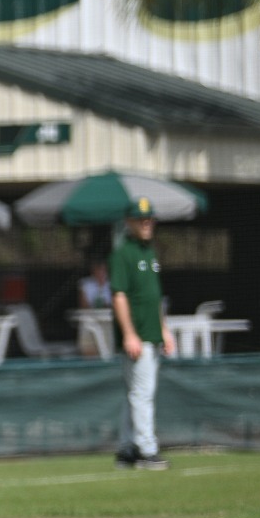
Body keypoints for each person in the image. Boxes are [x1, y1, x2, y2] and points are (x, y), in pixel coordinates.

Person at [110, 198, 174, 470]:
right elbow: (119, 295)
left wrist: (164, 329)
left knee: (135, 393)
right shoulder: (123, 253)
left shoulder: (149, 252)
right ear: (129, 222)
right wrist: (129, 334)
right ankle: (147, 449)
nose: (147, 224)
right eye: (141, 220)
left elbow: (153, 297)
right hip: (138, 336)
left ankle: (127, 448)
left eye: (150, 219)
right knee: (142, 393)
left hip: (151, 333)